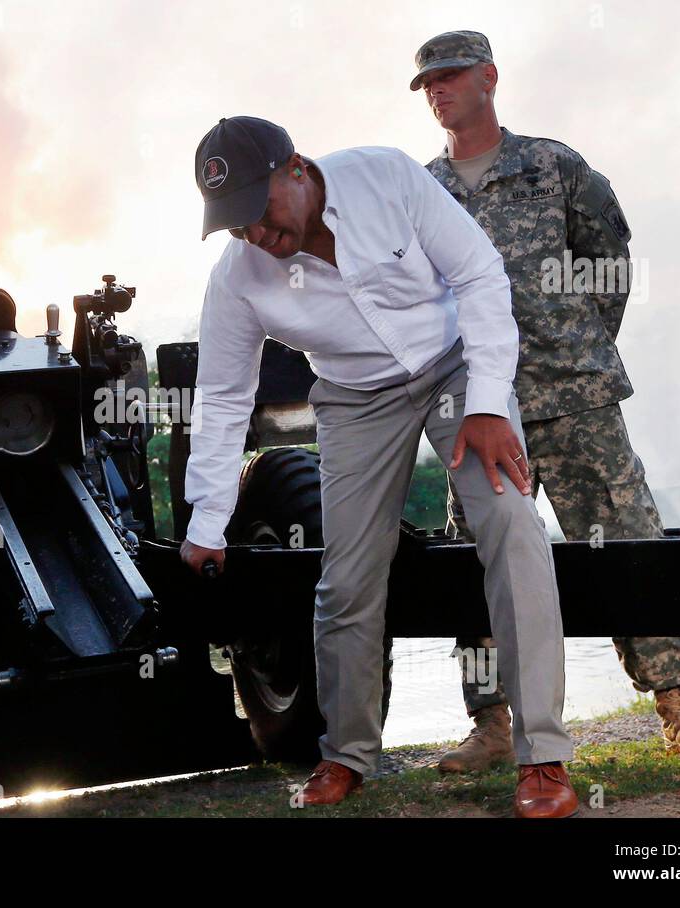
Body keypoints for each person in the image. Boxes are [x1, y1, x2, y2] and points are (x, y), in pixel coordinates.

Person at [180, 115, 577, 817]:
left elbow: (481, 273)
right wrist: (208, 520)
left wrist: (487, 402)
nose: (256, 235)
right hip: (355, 397)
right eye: (236, 223)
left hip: (455, 367)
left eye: (261, 210)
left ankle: (542, 755)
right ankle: (348, 755)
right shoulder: (236, 280)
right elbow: (221, 398)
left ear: (295, 169)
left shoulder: (388, 177)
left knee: (513, 526)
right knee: (349, 573)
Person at [411, 30, 680, 773]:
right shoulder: (421, 190)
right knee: (477, 562)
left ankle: (677, 705)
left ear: (489, 77)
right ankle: (492, 725)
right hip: (480, 407)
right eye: (427, 84)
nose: (438, 91)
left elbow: (608, 259)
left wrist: (575, 344)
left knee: (628, 540)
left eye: (450, 76)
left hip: (575, 397)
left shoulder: (553, 166)